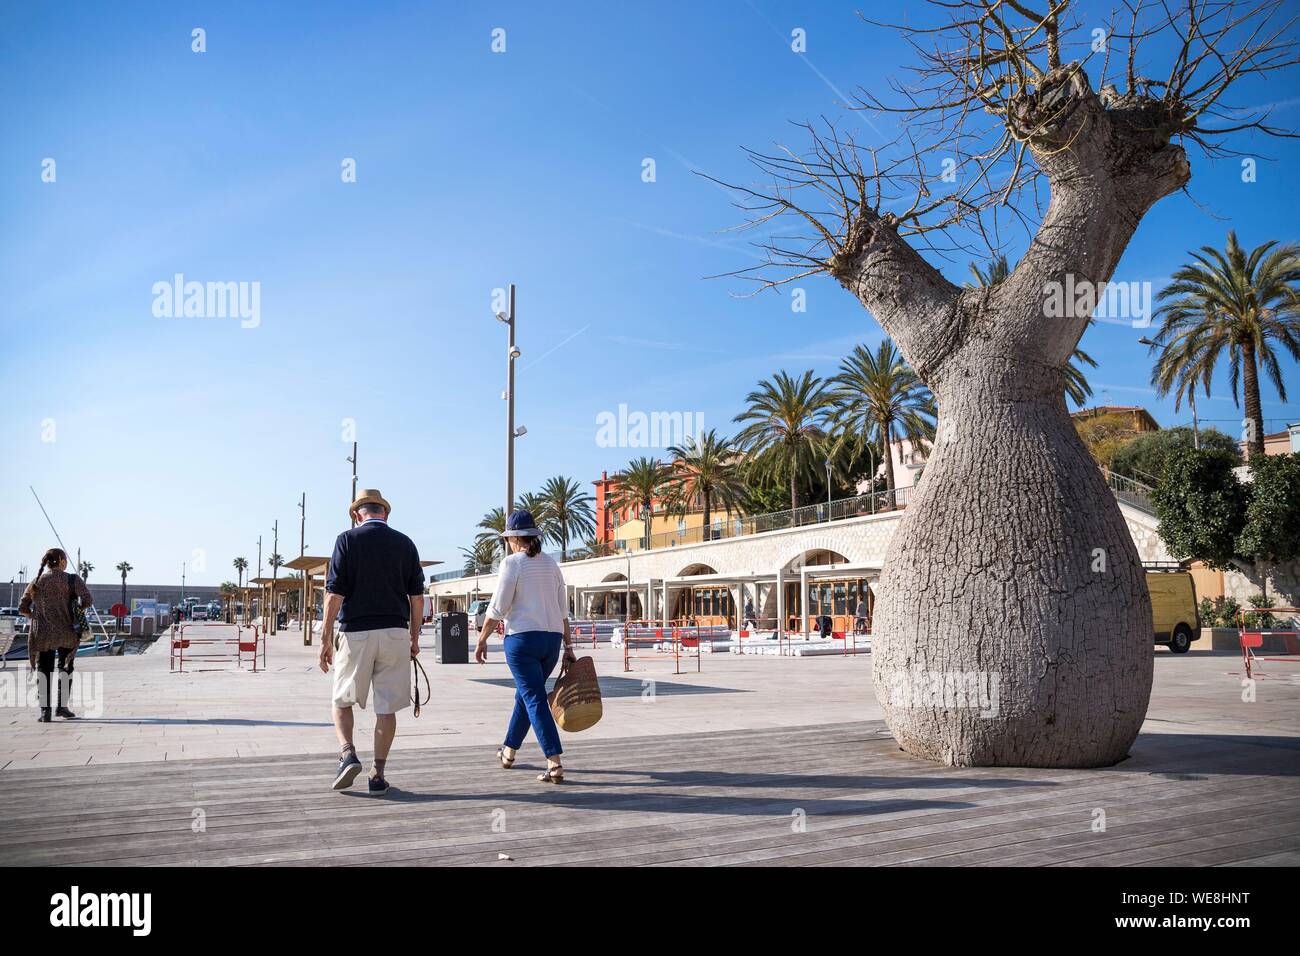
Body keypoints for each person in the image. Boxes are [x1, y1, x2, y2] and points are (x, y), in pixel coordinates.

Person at [318, 489, 425, 796]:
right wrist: (414, 639)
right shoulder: (405, 543)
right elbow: (416, 599)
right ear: (385, 514)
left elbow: (334, 595)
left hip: (356, 633)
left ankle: (348, 753)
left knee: (342, 700)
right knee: (386, 708)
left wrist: (325, 638)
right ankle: (378, 774)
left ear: (357, 515)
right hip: (394, 633)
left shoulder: (347, 540)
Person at [475, 510, 574, 784]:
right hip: (551, 641)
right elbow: (562, 610)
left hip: (522, 641)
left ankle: (554, 762)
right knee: (525, 694)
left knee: (533, 697)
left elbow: (498, 607)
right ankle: (508, 752)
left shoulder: (512, 563)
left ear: (515, 538)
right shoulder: (552, 564)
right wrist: (568, 645)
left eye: (508, 538)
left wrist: (482, 640)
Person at [19, 548, 92, 722]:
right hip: (67, 631)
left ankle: (45, 712)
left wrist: (35, 615)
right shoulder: (71, 579)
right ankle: (62, 707)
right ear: (61, 560)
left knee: (44, 670)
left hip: (43, 633)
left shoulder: (37, 581)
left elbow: (23, 607)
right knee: (65, 668)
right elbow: (88, 599)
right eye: (65, 559)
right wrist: (77, 610)